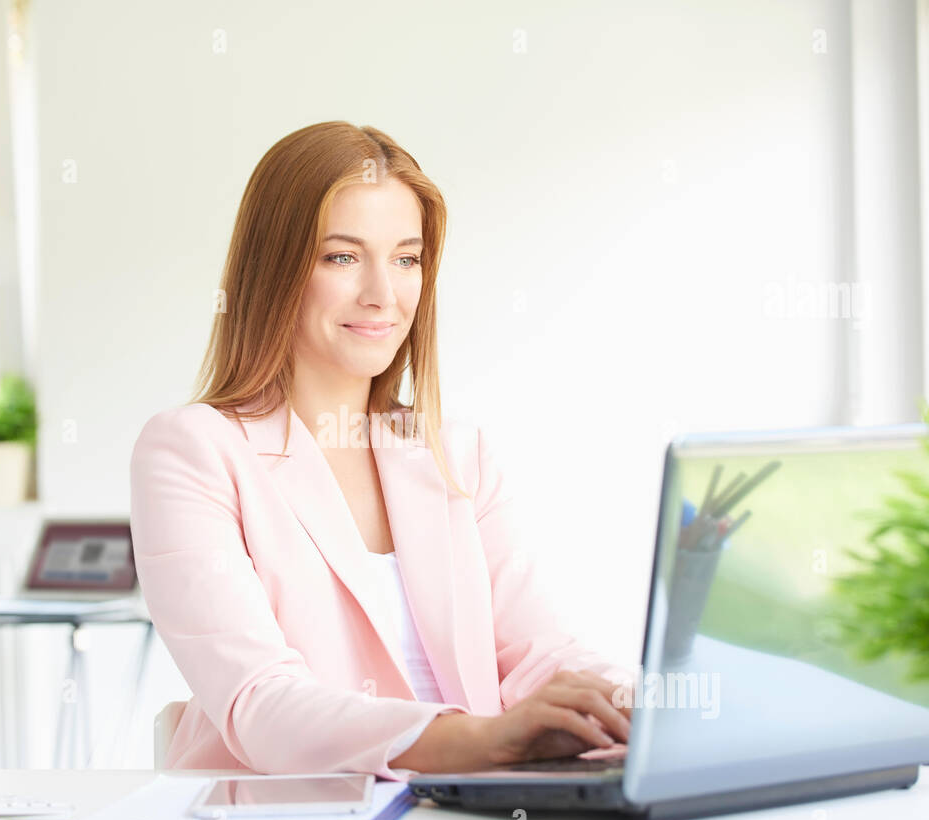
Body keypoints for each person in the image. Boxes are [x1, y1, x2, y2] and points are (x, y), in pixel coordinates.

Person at [130, 121, 634, 782]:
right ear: (275, 268)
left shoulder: (457, 453)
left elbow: (539, 652)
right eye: (341, 256)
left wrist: (644, 707)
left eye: (406, 257)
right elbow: (262, 704)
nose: (383, 293)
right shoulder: (192, 450)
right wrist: (488, 740)